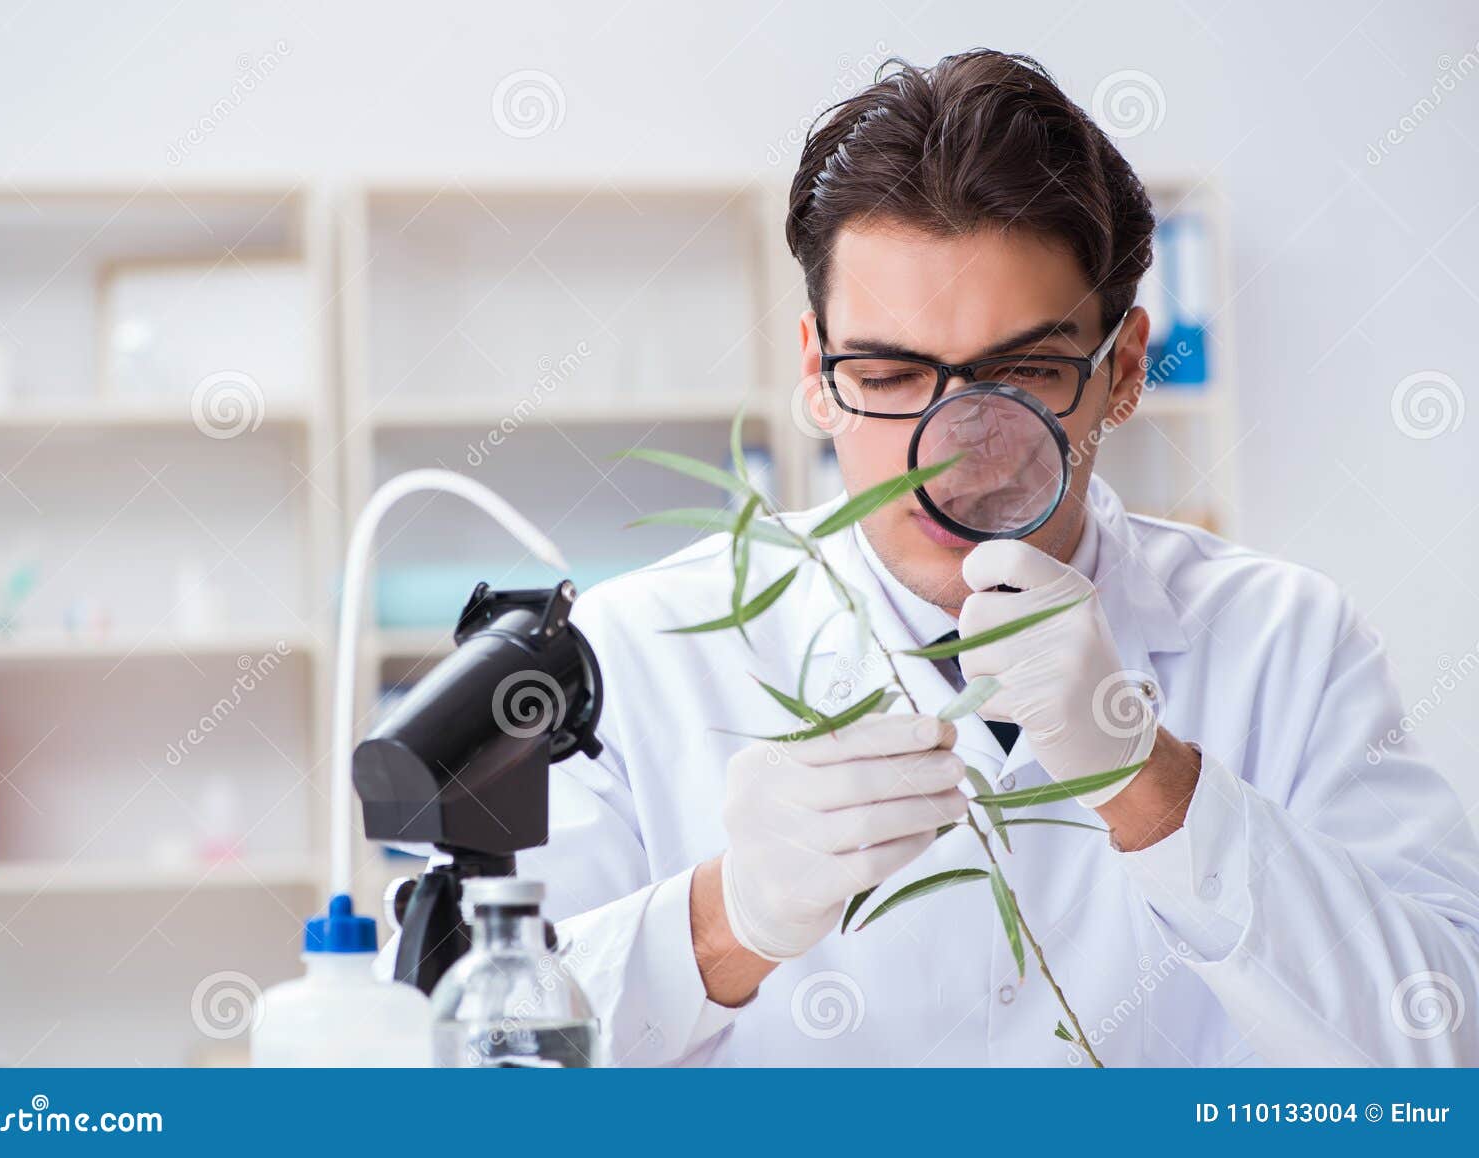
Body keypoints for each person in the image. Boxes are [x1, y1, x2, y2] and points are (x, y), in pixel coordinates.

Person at [509, 49, 1479, 1065]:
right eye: (886, 373)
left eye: (1023, 371)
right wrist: (724, 922)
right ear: (817, 373)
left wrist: (1156, 789)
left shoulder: (1285, 643)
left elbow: (1443, 1048)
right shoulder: (630, 652)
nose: (954, 451)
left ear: (1125, 371)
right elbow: (471, 1073)